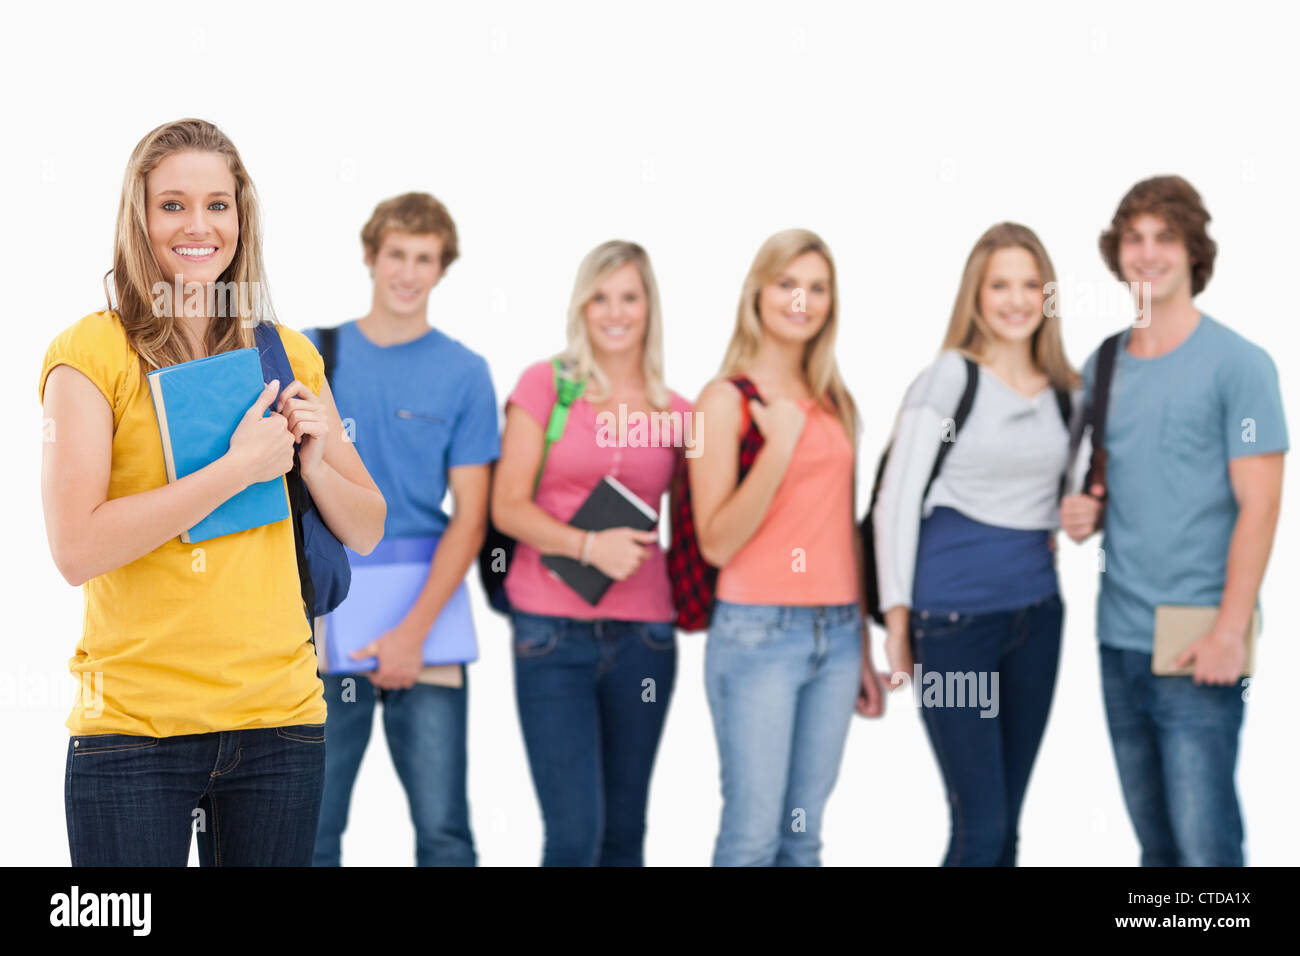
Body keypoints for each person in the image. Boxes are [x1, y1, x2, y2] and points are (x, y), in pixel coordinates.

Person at [38, 117, 385, 866]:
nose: (198, 226)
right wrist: (236, 468)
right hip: (133, 732)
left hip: (280, 724)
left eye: (217, 205)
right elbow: (75, 549)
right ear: (140, 216)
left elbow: (367, 528)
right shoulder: (90, 354)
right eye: (173, 205)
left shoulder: (285, 351)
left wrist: (315, 459)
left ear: (241, 216)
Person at [1060, 176, 1287, 867]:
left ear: (1194, 253)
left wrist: (1227, 632)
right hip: (1118, 639)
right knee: (1156, 851)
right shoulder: (1103, 364)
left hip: (1197, 642)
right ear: (1117, 252)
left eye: (1166, 237)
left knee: (1207, 854)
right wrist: (1086, 513)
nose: (1148, 252)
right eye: (1135, 237)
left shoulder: (1240, 365)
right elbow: (1109, 479)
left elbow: (1263, 503)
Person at [874, 222, 1082, 866]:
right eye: (999, 285)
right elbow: (894, 505)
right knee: (979, 827)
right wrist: (899, 625)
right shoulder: (949, 380)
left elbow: (1067, 501)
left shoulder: (1068, 393)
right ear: (976, 294)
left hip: (1037, 620)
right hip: (953, 625)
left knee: (1008, 827)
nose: (1016, 300)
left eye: (1030, 285)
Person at [308, 192, 499, 867]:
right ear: (371, 255)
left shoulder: (465, 373)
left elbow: (471, 518)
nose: (409, 272)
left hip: (430, 612)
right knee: (312, 829)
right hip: (328, 611)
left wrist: (413, 635)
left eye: (425, 258)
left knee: (445, 831)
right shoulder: (312, 355)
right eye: (397, 254)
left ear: (442, 268)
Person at [491, 240, 690, 866]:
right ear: (582, 305)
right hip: (550, 634)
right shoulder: (547, 384)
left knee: (623, 835)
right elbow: (507, 507)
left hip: (645, 639)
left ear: (649, 307)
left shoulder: (676, 411)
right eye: (600, 297)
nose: (614, 312)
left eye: (629, 297)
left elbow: (694, 522)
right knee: (574, 836)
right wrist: (587, 546)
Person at [690, 228, 882, 867]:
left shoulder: (836, 400)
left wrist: (859, 644)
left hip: (836, 634)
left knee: (802, 838)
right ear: (757, 293)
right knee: (751, 837)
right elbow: (716, 541)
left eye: (817, 288)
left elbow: (841, 528)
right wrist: (778, 445)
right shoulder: (723, 401)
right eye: (787, 284)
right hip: (757, 634)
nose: (802, 299)